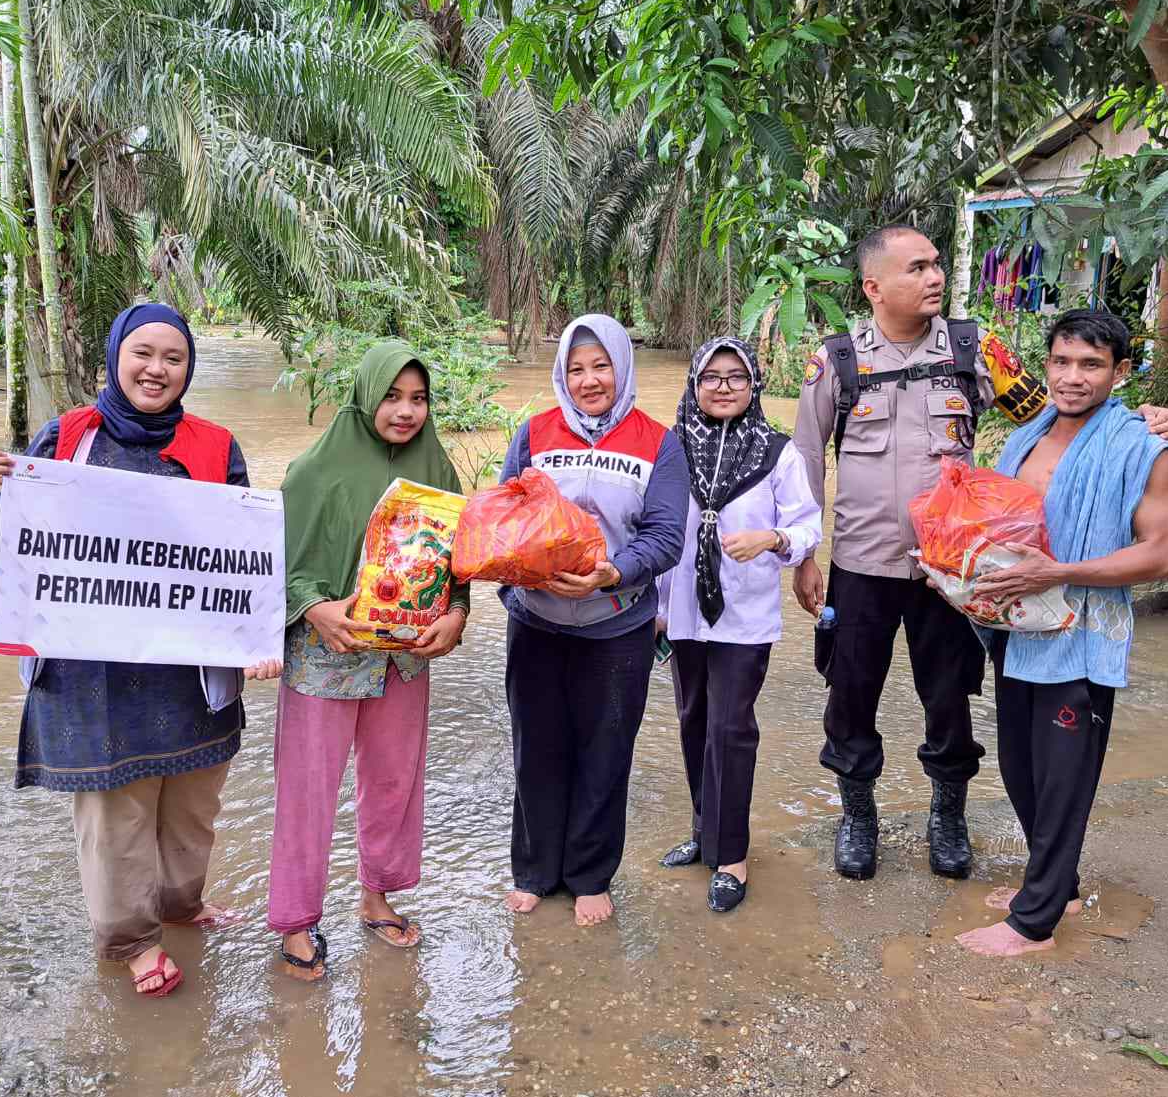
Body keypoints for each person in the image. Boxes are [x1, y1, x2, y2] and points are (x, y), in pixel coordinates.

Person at [791, 225, 1168, 882]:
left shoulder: (977, 349)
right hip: (861, 565)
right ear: (875, 286)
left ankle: (949, 812)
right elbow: (804, 453)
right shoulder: (837, 361)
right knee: (851, 694)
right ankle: (858, 812)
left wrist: (1142, 418)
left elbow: (1059, 407)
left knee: (949, 696)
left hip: (958, 574)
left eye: (938, 264)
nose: (936, 276)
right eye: (917, 267)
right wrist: (803, 555)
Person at [0, 302, 279, 999]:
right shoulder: (67, 437)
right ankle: (131, 941)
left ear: (189, 368)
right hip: (92, 672)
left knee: (193, 806)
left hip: (188, 672)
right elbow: (19, 557)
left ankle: (180, 905)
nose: (156, 369)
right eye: (143, 353)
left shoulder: (217, 446)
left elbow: (244, 564)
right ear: (115, 356)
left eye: (173, 358)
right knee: (117, 814)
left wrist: (258, 639)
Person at [954, 309, 1168, 956]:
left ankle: (1036, 921)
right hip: (1019, 628)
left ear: (1121, 372)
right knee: (1022, 771)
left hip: (1081, 637)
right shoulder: (1025, 438)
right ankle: (1062, 883)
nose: (1072, 377)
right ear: (1045, 364)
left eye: (1091, 364)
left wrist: (1062, 571)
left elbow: (1160, 555)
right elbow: (1004, 528)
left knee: (1063, 780)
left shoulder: (1143, 446)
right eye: (1061, 362)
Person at [268, 340, 469, 980]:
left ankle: (376, 895)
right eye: (391, 396)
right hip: (325, 654)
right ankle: (298, 919)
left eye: (418, 399)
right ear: (365, 396)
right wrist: (313, 609)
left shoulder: (438, 473)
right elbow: (270, 567)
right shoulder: (310, 473)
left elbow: (456, 571)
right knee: (308, 787)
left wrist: (456, 617)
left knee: (393, 781)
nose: (405, 412)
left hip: (404, 659)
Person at [499, 314, 688, 926]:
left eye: (601, 365)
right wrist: (516, 581)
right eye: (576, 368)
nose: (588, 380)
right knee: (537, 748)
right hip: (537, 623)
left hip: (617, 625)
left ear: (622, 367)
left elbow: (665, 537)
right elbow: (504, 517)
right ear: (561, 373)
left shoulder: (659, 443)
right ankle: (533, 871)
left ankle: (589, 875)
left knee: (605, 751)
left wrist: (615, 572)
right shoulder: (534, 432)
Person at [655, 337, 823, 912]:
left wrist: (772, 539)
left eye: (736, 377)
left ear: (753, 385)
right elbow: (656, 531)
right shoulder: (670, 450)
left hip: (744, 617)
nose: (723, 387)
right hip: (682, 614)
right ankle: (704, 831)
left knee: (730, 728)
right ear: (694, 385)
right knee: (692, 721)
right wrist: (654, 607)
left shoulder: (778, 453)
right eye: (711, 377)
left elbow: (807, 528)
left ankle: (732, 857)